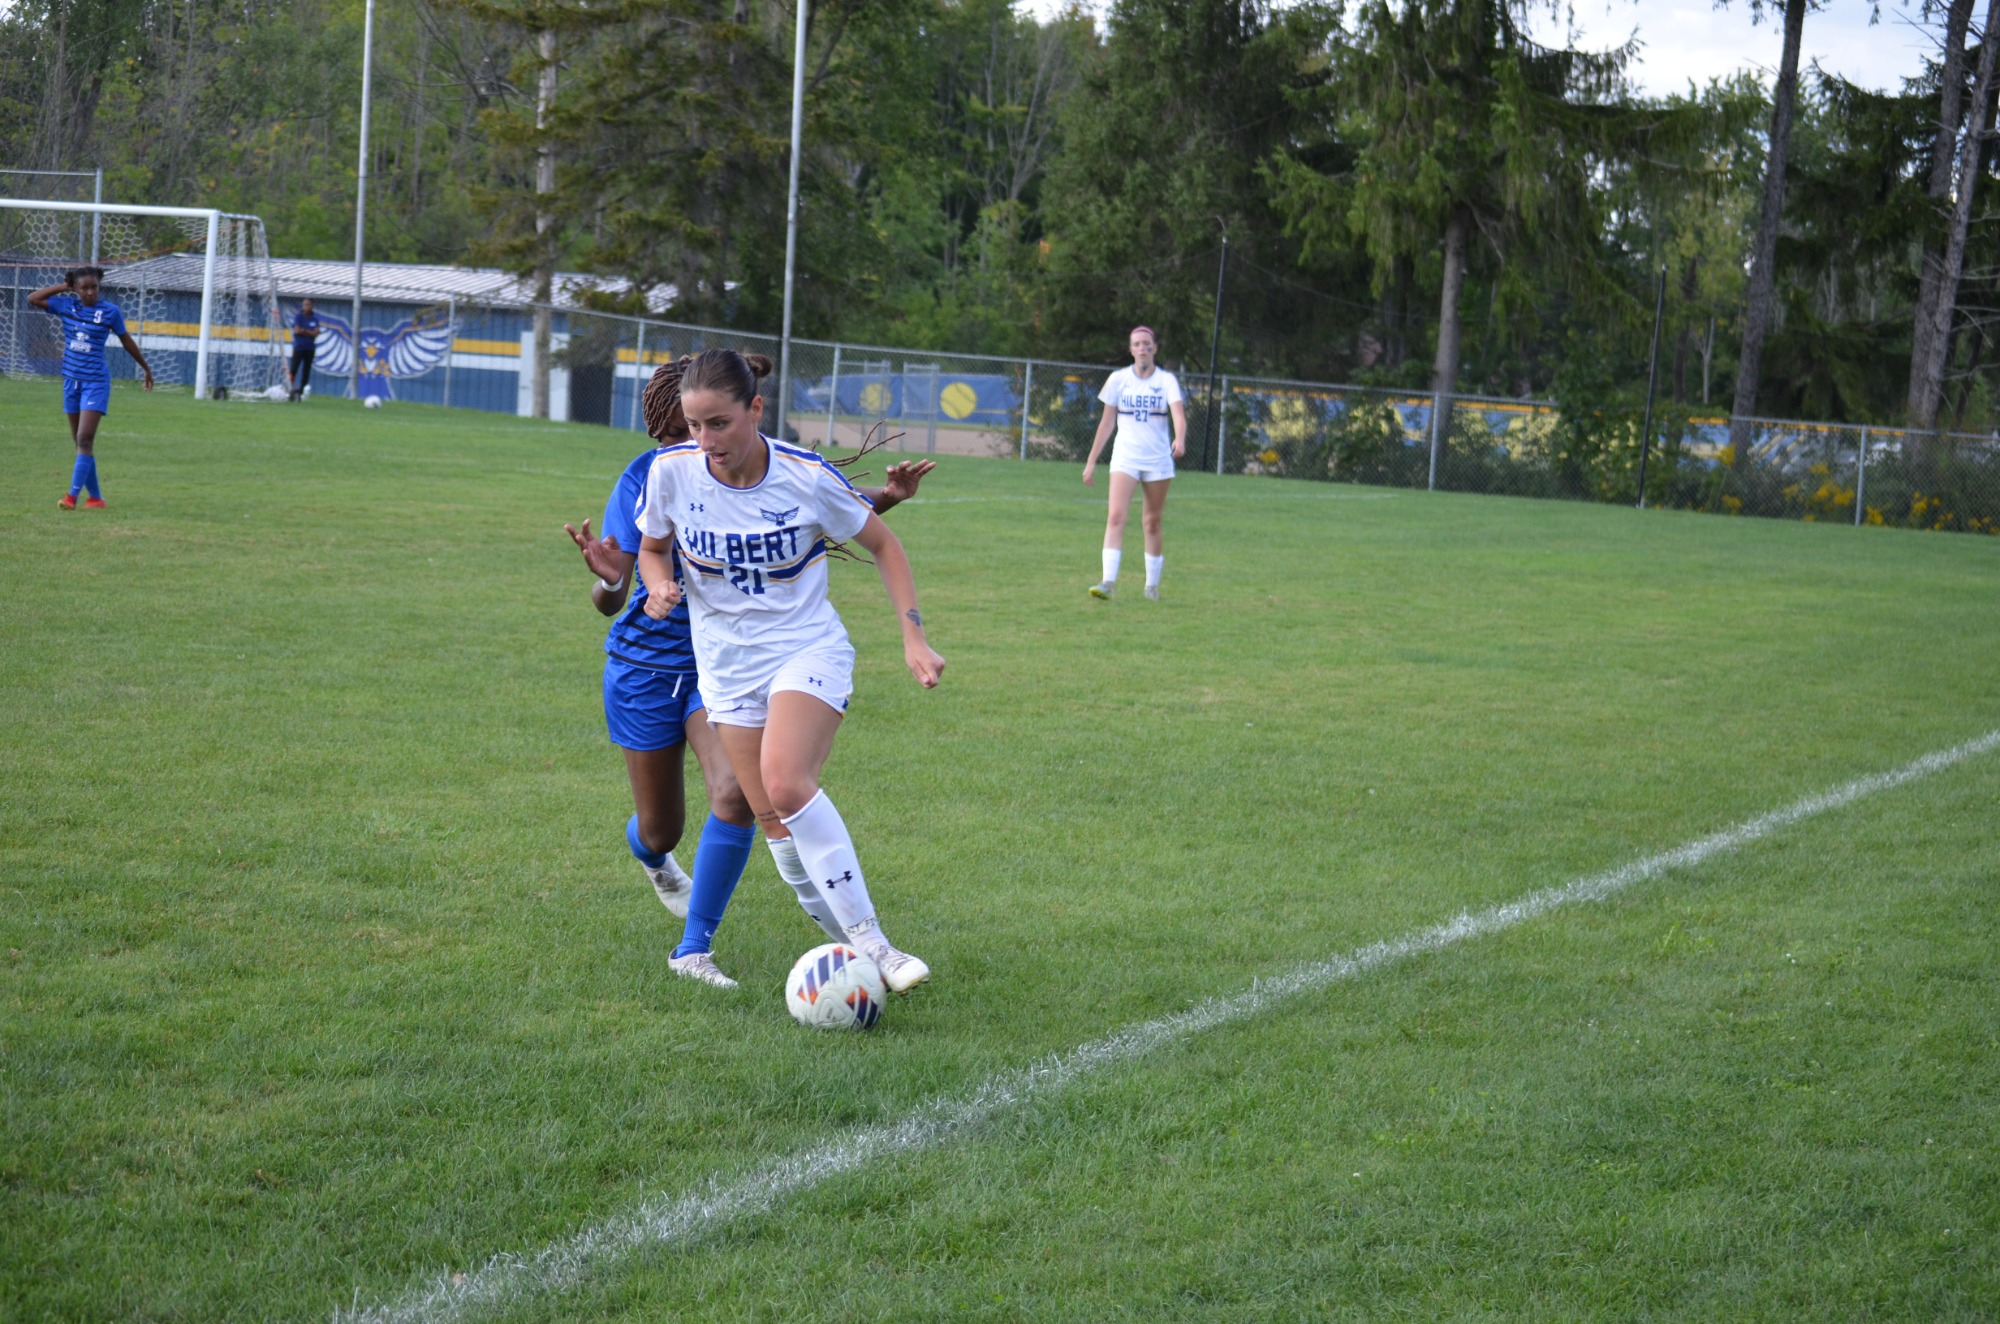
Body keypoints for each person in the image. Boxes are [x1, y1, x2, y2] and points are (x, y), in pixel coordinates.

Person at [565, 355, 935, 988]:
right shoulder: (663, 474)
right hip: (693, 666)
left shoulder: (798, 471)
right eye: (692, 425)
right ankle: (843, 948)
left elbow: (861, 532)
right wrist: (643, 586)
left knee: (775, 786)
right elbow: (645, 557)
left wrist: (913, 634)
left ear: (755, 410)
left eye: (717, 424)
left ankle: (867, 945)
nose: (704, 442)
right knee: (736, 820)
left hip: (801, 648)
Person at [28, 267, 155, 510]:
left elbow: (126, 341)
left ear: (99, 287)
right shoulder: (66, 306)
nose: (89, 292)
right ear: (75, 288)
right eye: (83, 287)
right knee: (80, 442)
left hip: (95, 383)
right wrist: (63, 287)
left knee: (84, 438)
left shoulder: (110, 312)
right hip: (70, 381)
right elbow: (33, 299)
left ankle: (71, 498)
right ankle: (95, 498)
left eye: (93, 287)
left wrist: (146, 368)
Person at [1081, 326, 1187, 600]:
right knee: (1115, 517)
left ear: (1154, 349)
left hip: (1157, 459)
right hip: (1125, 457)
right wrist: (1092, 461)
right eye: (1137, 344)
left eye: (1146, 344)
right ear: (1130, 349)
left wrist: (1180, 439)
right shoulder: (1118, 380)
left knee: (1151, 522)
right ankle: (1108, 582)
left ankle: (1151, 586)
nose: (1142, 348)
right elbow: (1106, 423)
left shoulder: (1166, 381)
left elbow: (1178, 414)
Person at [288, 299, 321, 400]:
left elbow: (315, 333)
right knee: (293, 369)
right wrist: (309, 332)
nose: (306, 307)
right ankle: (289, 388)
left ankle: (301, 392)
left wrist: (304, 331)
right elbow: (297, 331)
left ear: (312, 306)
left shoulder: (314, 319)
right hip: (299, 347)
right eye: (304, 305)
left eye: (308, 305)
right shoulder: (299, 317)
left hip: (310, 348)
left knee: (306, 370)